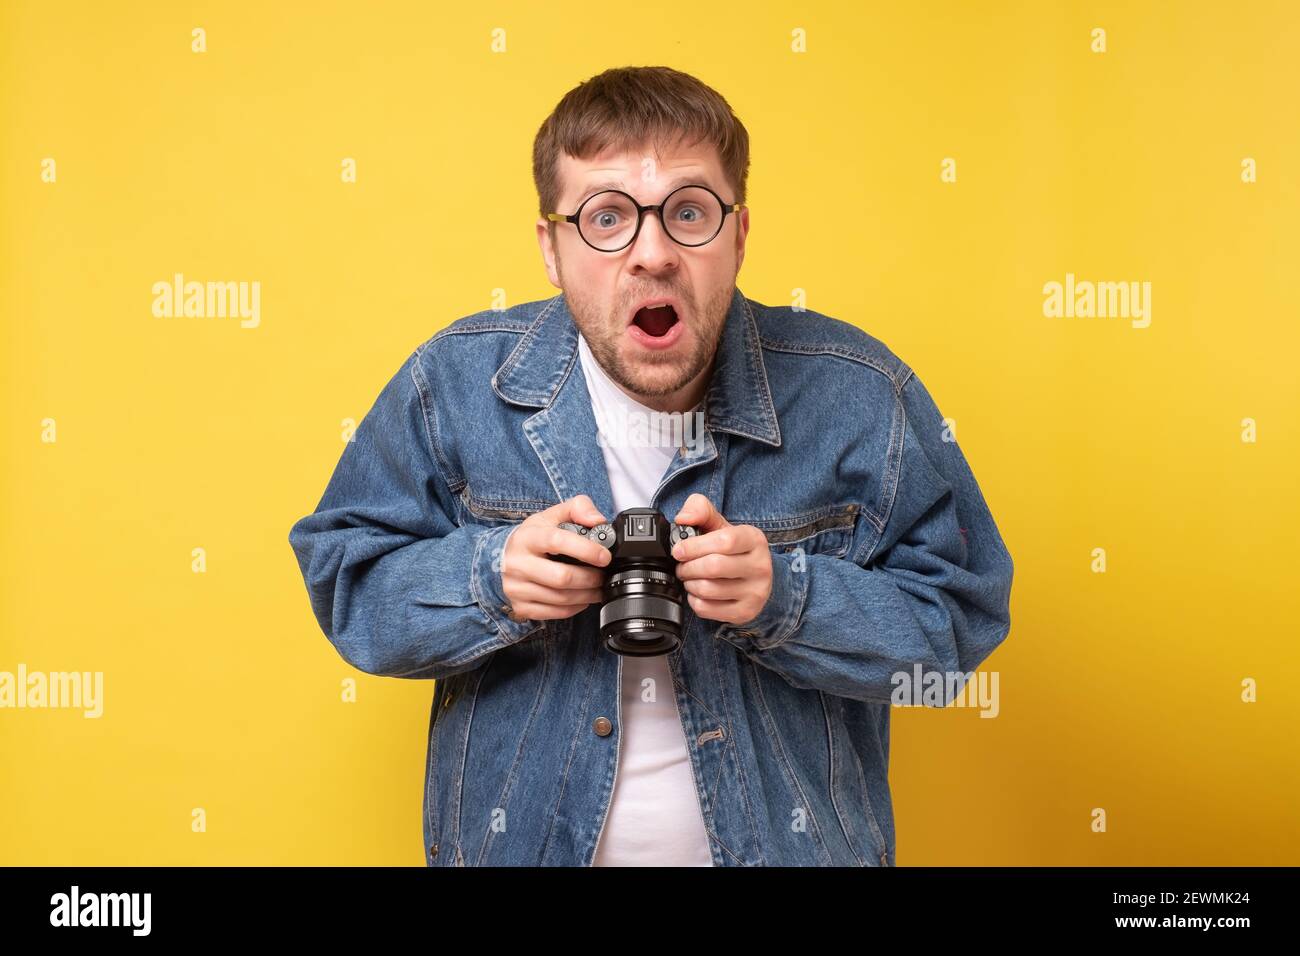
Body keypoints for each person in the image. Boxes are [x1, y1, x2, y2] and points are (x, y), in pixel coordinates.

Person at [287, 65, 1014, 867]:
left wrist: (789, 596)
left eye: (689, 213)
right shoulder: (454, 387)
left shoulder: (860, 394)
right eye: (605, 218)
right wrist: (489, 579)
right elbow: (348, 589)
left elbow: (958, 627)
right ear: (551, 249)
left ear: (738, 235)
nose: (653, 254)